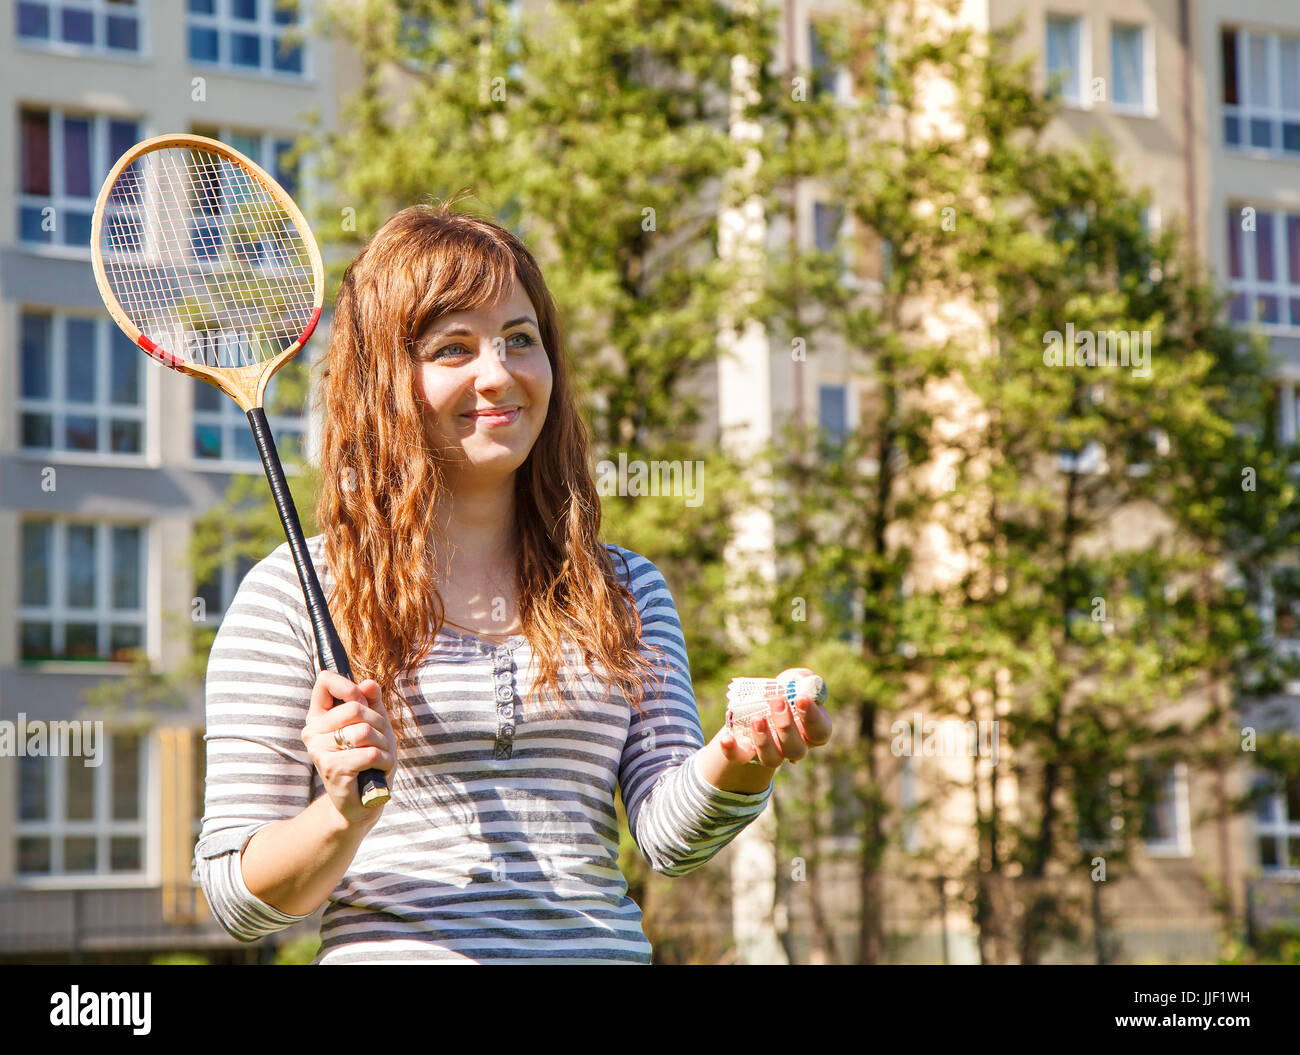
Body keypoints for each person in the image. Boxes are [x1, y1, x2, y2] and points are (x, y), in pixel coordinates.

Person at [193, 199, 832, 964]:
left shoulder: (626, 587)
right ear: (384, 381)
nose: (498, 374)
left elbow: (669, 838)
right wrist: (339, 813)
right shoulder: (297, 594)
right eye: (453, 348)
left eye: (519, 340)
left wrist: (743, 752)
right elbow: (236, 899)